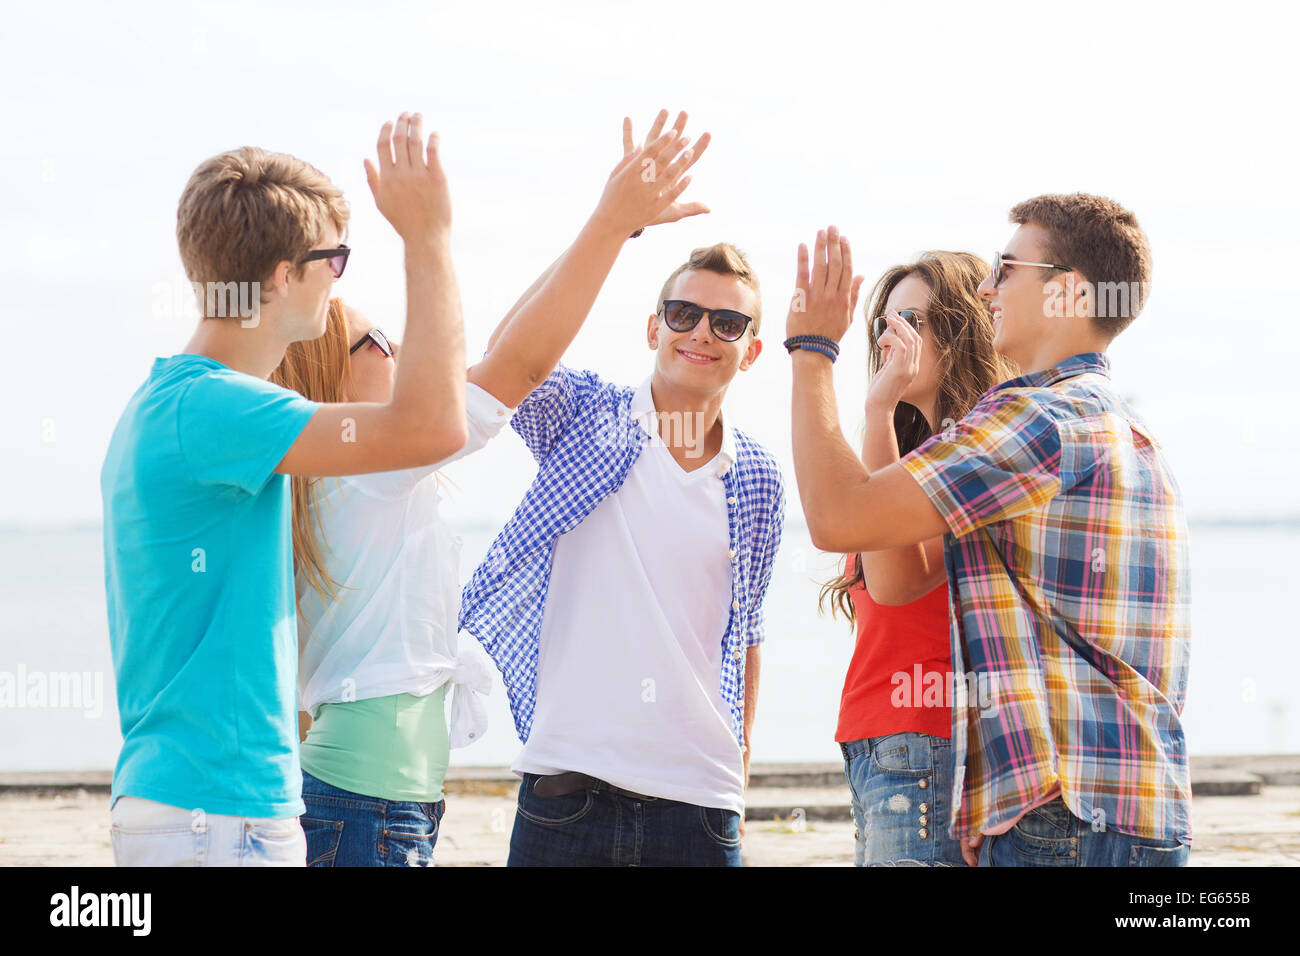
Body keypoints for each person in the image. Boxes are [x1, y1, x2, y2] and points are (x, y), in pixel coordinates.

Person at [268, 111, 708, 866]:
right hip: (365, 807)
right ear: (333, 374)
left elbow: (505, 353)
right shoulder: (369, 469)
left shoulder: (358, 469)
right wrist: (606, 224)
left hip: (375, 802)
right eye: (378, 342)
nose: (396, 350)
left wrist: (614, 227)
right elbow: (517, 371)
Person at [101, 113, 469, 866]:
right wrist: (429, 242)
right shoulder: (218, 409)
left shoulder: (178, 405)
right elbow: (433, 425)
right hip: (216, 815)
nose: (339, 282)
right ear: (282, 277)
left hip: (196, 808)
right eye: (334, 260)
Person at [785, 199, 1191, 868]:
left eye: (1005, 270)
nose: (985, 288)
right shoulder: (1130, 435)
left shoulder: (1036, 420)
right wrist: (996, 800)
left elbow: (836, 519)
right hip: (1136, 809)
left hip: (1064, 819)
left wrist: (811, 352)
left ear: (1065, 290)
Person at [459, 149, 786, 866]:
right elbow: (509, 356)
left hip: (700, 806)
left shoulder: (758, 476)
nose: (702, 332)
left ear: (752, 350)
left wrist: (740, 768)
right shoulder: (585, 415)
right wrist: (611, 227)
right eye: (683, 313)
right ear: (653, 328)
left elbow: (746, 626)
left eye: (727, 324)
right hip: (567, 792)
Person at [819, 252, 1012, 866]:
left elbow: (898, 580)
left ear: (962, 331)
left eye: (914, 318)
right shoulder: (915, 454)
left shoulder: (971, 450)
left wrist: (876, 411)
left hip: (925, 741)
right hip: (884, 739)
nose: (892, 333)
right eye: (887, 318)